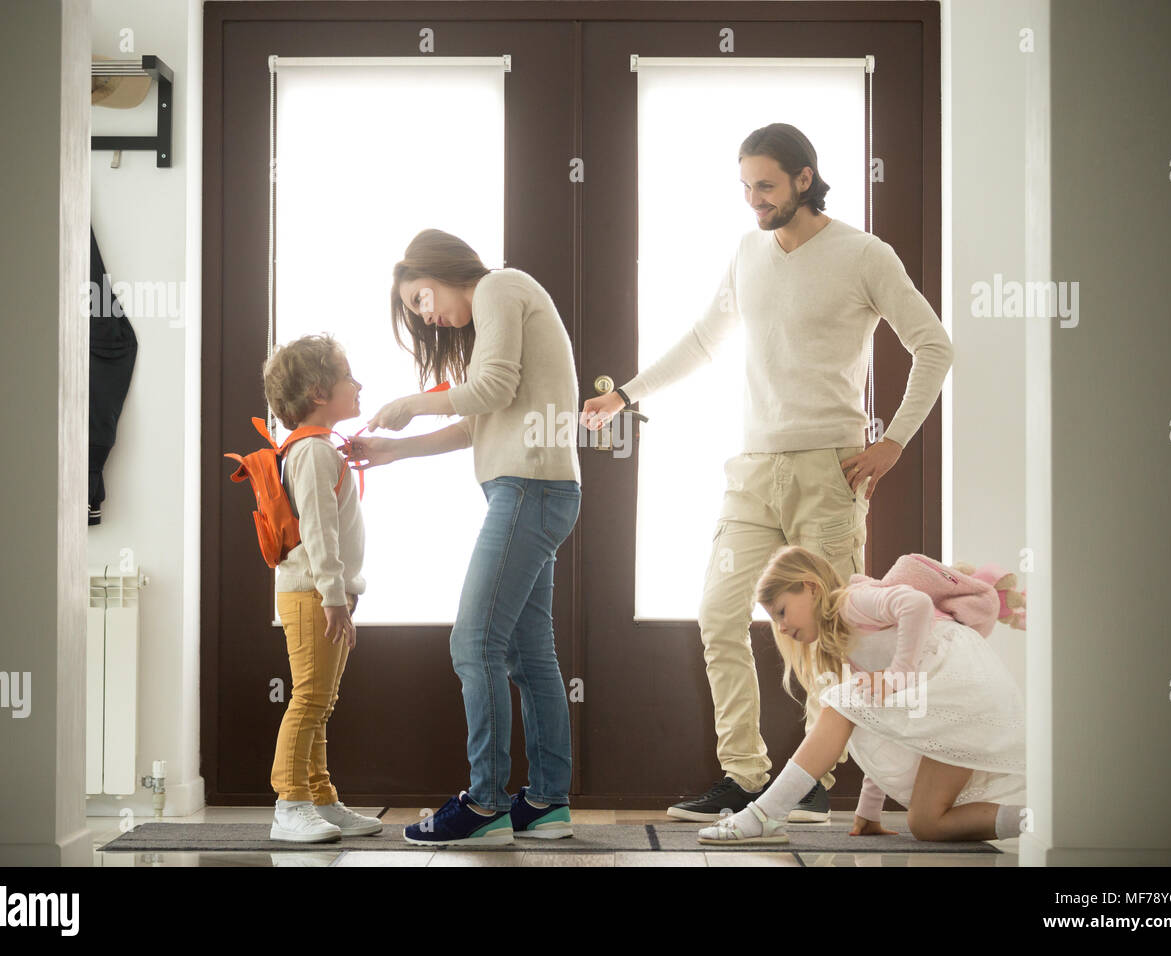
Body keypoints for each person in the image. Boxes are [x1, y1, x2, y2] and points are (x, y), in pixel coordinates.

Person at [582, 122, 954, 823]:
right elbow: (701, 340)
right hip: (752, 467)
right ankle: (745, 776)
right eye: (746, 187)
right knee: (719, 612)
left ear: (804, 179)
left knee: (831, 627)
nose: (753, 200)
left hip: (828, 469)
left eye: (766, 186)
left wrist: (894, 441)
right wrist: (625, 394)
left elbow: (934, 345)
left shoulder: (864, 254)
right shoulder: (748, 253)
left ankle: (814, 781)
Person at [348, 229, 582, 846]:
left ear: (443, 270)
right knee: (529, 656)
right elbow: (481, 420)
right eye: (416, 310)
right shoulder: (497, 311)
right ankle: (547, 803)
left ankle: (485, 807)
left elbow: (491, 391)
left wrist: (410, 403)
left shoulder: (500, 287)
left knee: (473, 642)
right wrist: (397, 452)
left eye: (422, 298)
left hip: (528, 490)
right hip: (536, 489)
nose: (427, 315)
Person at [698, 545, 1027, 844]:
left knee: (842, 703)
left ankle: (765, 814)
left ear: (810, 587)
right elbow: (881, 725)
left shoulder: (851, 602)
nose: (780, 627)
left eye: (781, 611)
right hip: (960, 702)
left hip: (960, 686)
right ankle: (1038, 821)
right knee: (928, 823)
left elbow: (916, 604)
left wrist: (899, 673)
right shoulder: (851, 648)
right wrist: (869, 811)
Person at [263, 334, 382, 842]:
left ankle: (320, 799)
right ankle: (289, 803)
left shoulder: (318, 449)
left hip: (324, 594)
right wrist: (334, 598)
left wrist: (339, 597)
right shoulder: (312, 452)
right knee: (310, 698)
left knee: (320, 701)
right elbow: (318, 532)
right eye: (347, 376)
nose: (357, 384)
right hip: (314, 594)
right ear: (317, 391)